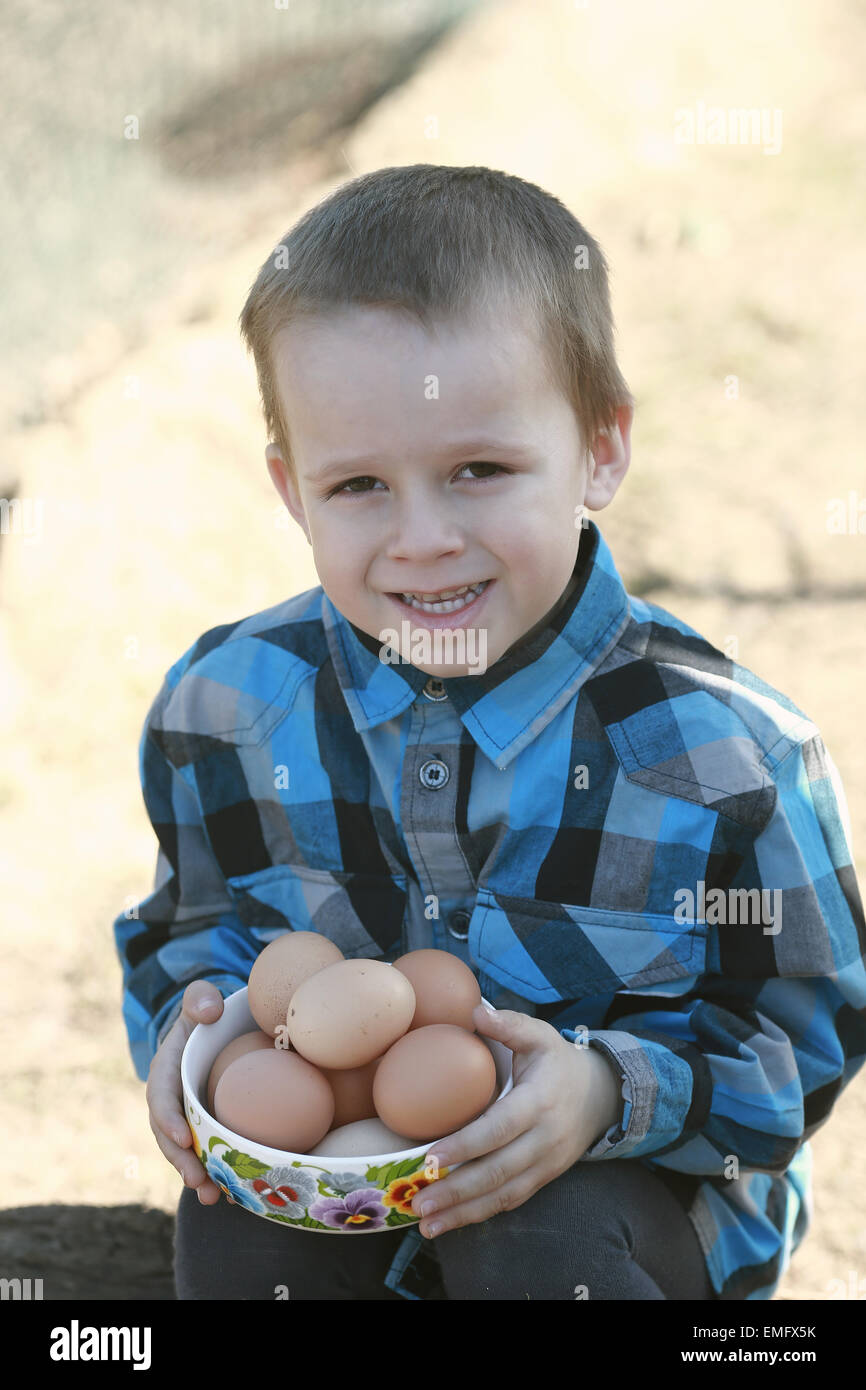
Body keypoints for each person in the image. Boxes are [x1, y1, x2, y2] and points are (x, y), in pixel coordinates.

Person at [115, 164, 866, 1301]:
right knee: (236, 1239)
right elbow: (196, 926)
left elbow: (801, 1042)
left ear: (599, 449)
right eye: (359, 485)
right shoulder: (223, 709)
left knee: (531, 1237)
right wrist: (193, 1030)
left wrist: (608, 1094)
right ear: (290, 490)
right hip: (342, 1172)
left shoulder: (725, 757)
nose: (422, 539)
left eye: (479, 469)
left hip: (625, 1197)